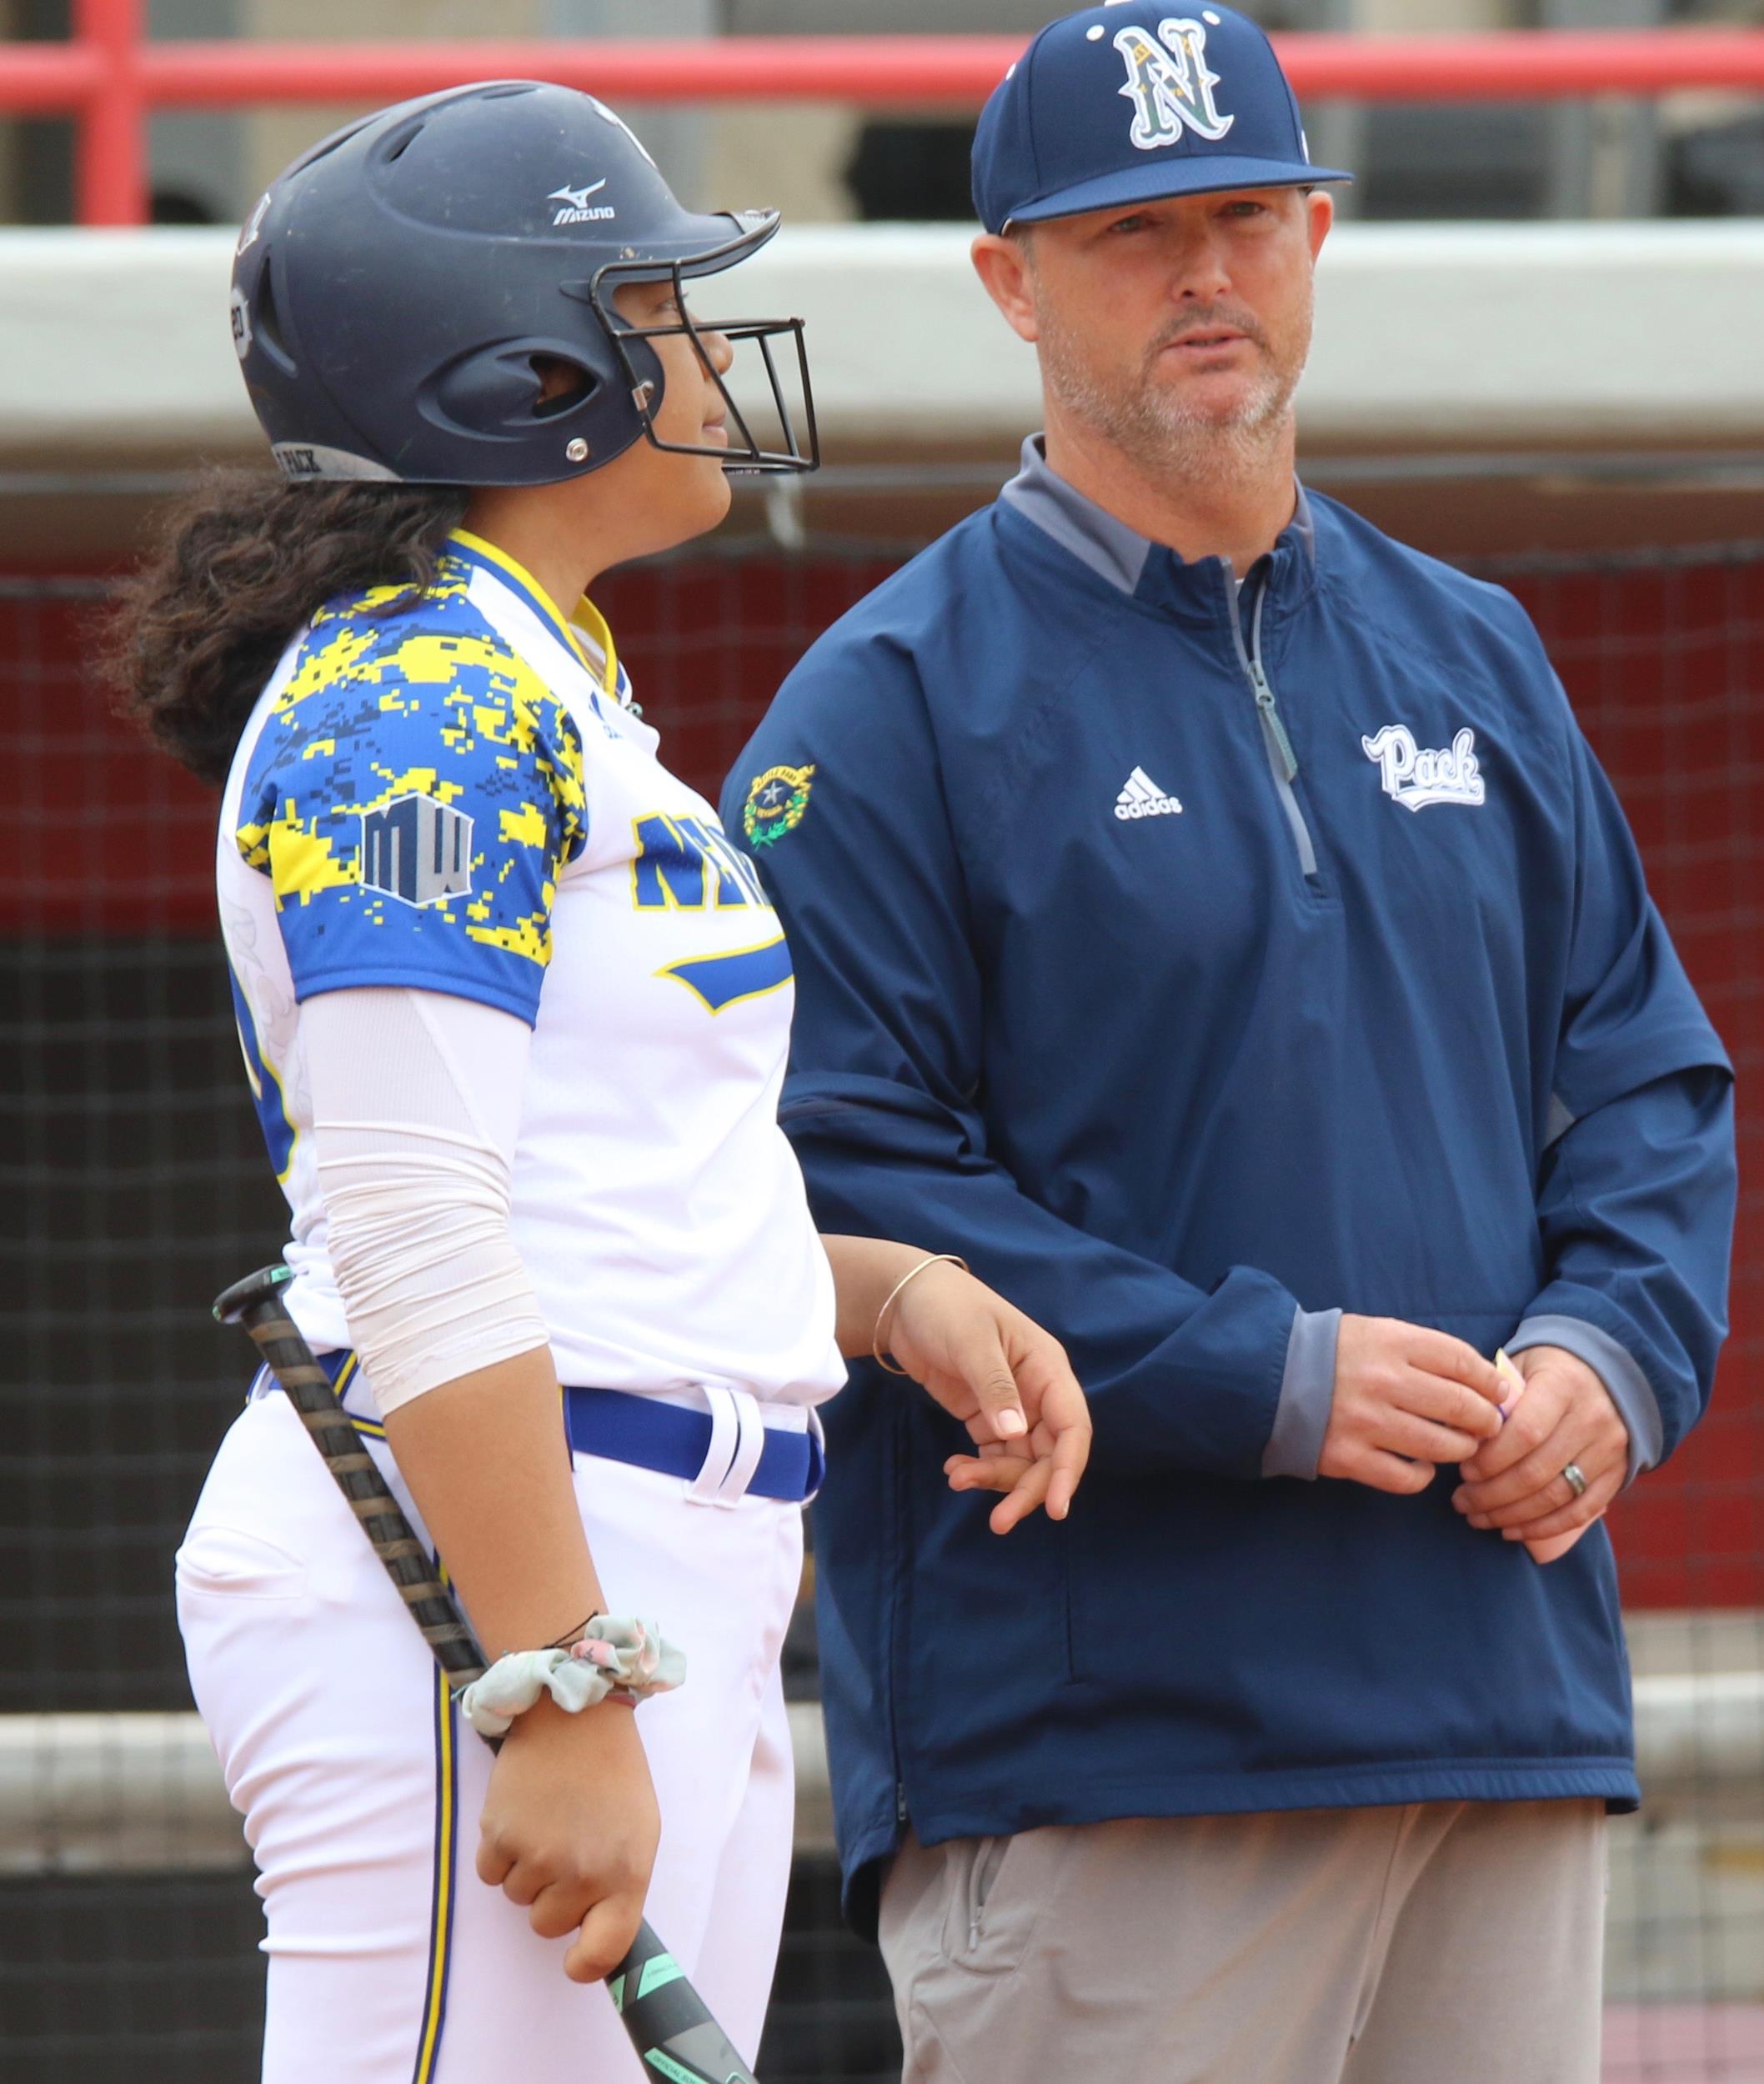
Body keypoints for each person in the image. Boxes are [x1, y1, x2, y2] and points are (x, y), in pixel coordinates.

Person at [720, 9, 1737, 2082]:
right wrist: (1255, 1375)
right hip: (1109, 1745)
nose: (1203, 275)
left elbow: (1643, 1075)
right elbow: (824, 1179)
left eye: (1244, 218)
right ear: (1006, 277)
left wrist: (1608, 1356)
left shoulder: (1471, 645)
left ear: (1313, 234)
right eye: (1132, 233)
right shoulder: (884, 702)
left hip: (1495, 1687)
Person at [110, 83, 1090, 2084]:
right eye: (652, 299)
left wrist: (876, 1288)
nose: (710, 347)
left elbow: (599, 1178)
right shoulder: (420, 695)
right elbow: (408, 1212)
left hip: (636, 1558)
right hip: (494, 1575)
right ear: (521, 370)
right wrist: (554, 1675)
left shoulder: (528, 670)